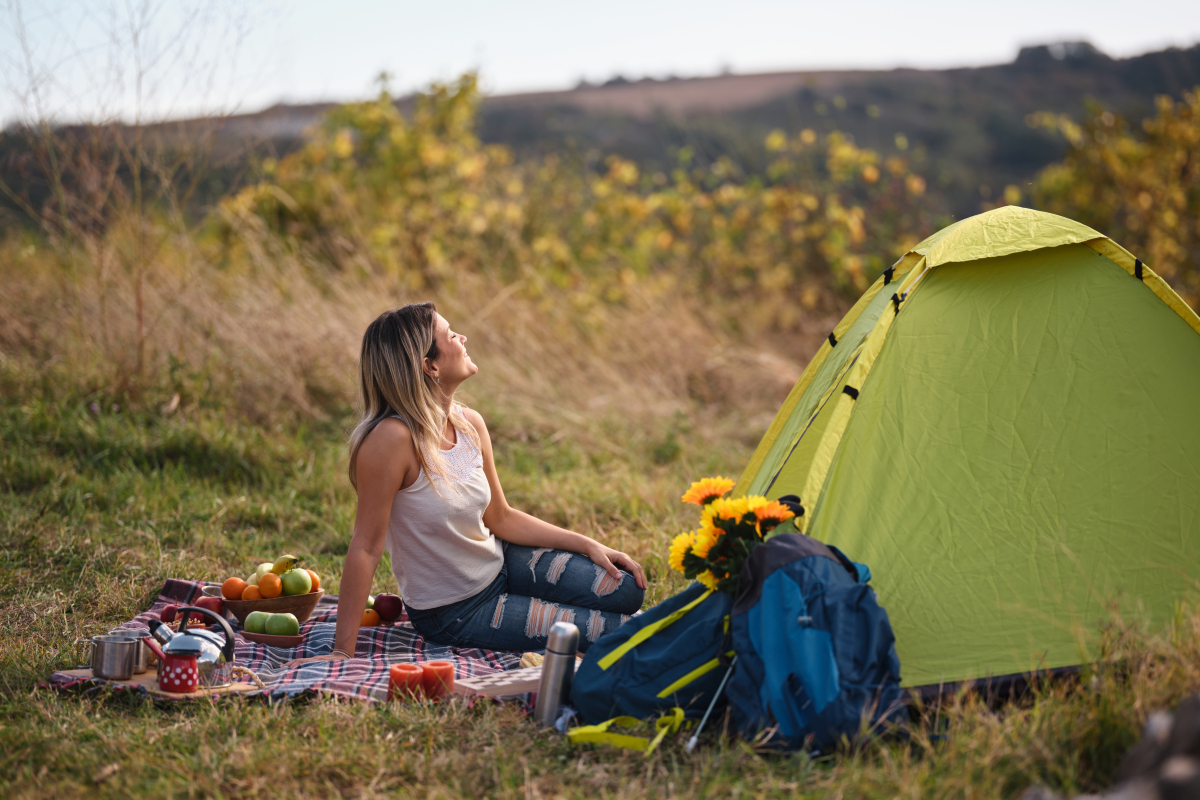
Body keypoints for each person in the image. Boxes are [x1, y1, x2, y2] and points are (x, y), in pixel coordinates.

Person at [288, 302, 645, 666]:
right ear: (430, 366)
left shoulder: (468, 422)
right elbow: (365, 547)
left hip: (503, 563)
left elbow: (500, 517)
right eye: (450, 335)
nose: (463, 338)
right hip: (456, 611)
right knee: (618, 630)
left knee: (626, 590)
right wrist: (341, 652)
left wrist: (589, 545)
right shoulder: (390, 442)